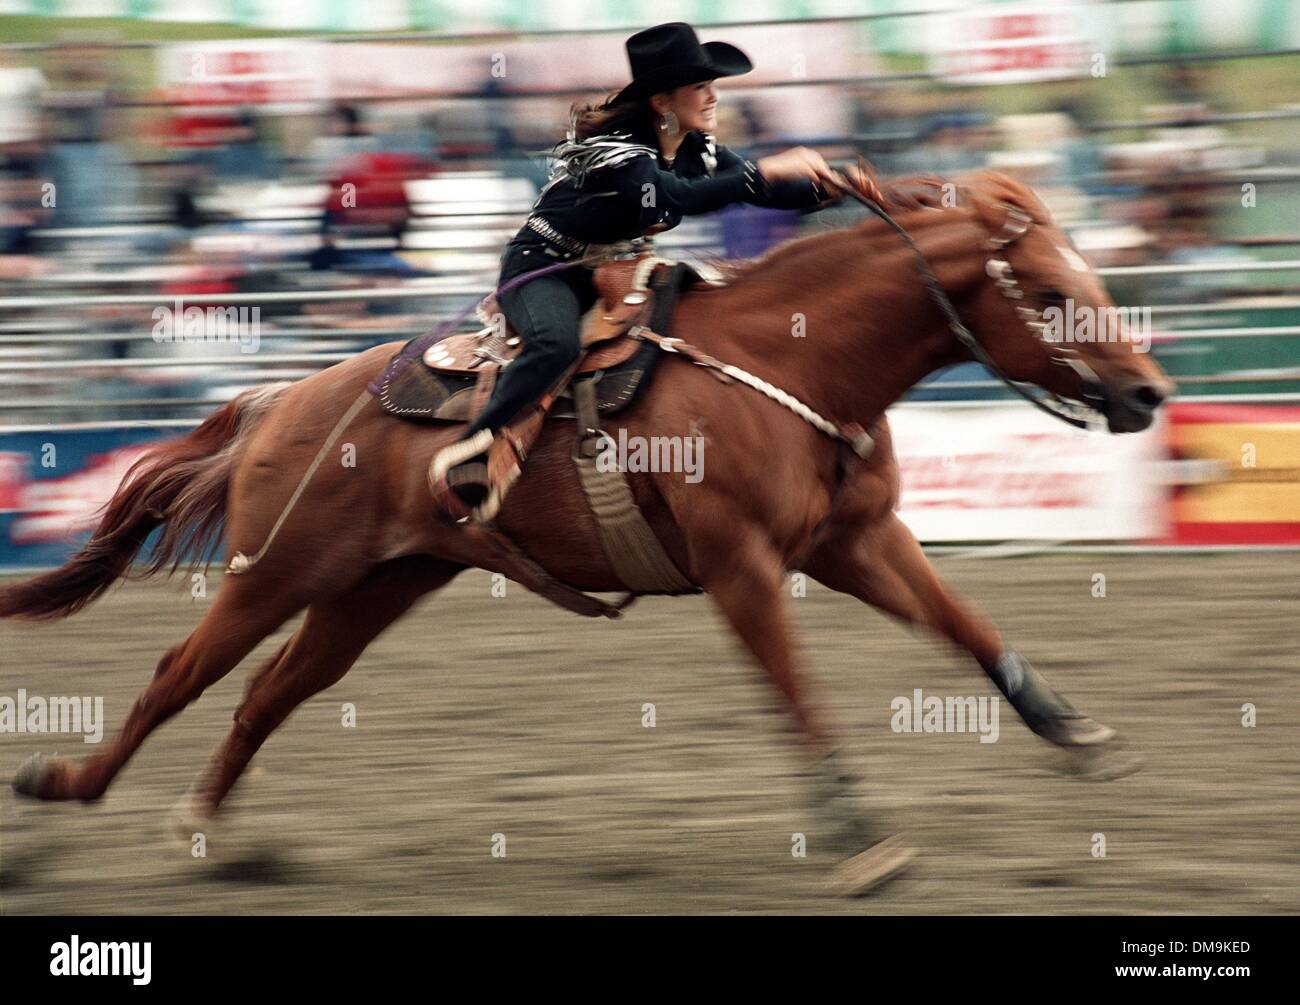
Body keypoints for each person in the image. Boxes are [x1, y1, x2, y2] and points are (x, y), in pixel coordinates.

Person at [431, 21, 868, 518]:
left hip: (611, 272)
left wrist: (836, 187)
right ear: (662, 101)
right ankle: (475, 445)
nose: (712, 97)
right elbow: (677, 195)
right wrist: (763, 168)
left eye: (712, 86)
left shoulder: (693, 148)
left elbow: (761, 191)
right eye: (700, 86)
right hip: (544, 267)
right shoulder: (616, 151)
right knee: (556, 344)